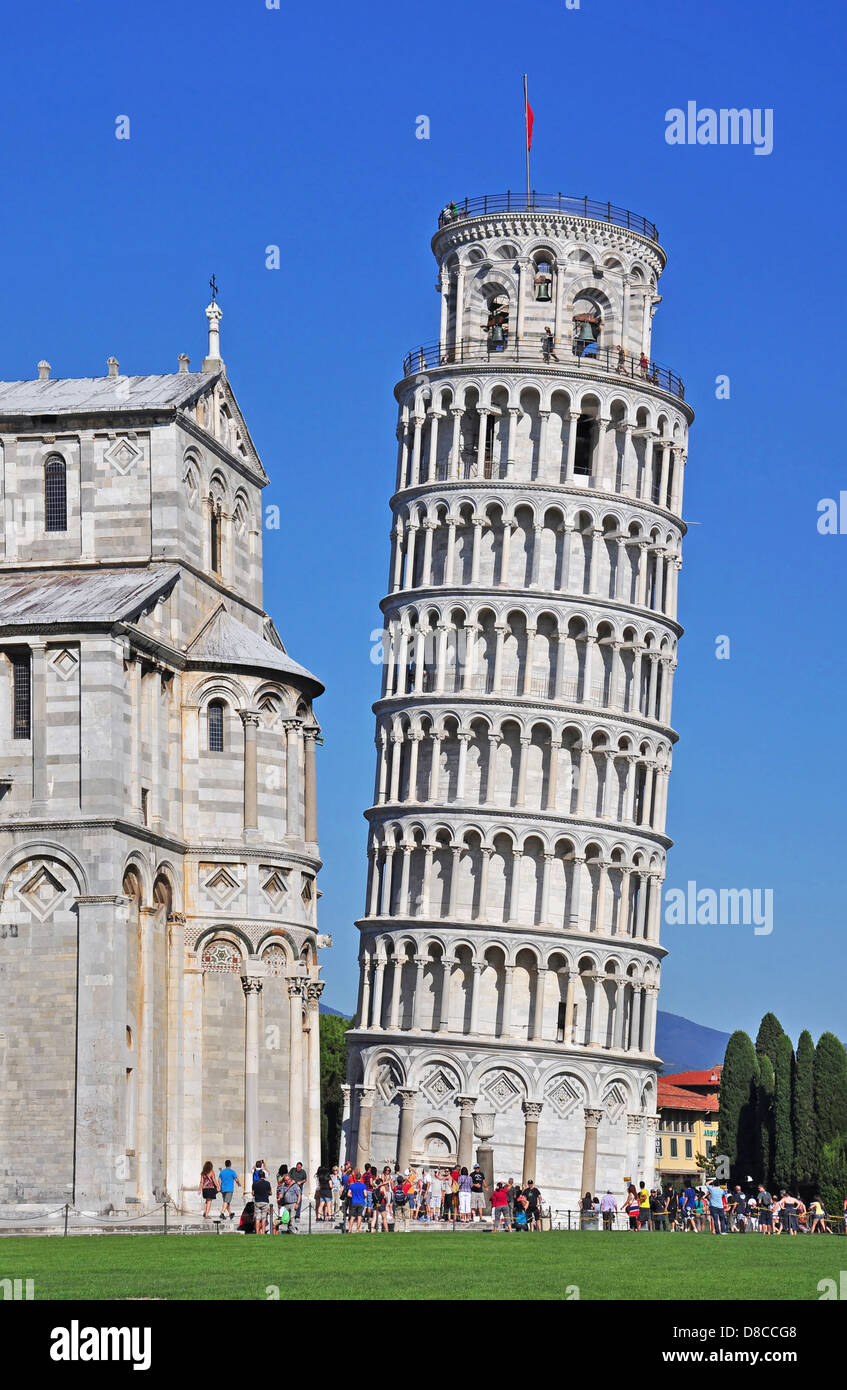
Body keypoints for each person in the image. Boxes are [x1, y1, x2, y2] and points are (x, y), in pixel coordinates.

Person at [252, 1165, 272, 1235]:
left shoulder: (255, 1183)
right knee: (263, 1218)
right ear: (264, 1176)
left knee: (257, 1218)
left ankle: (257, 1232)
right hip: (265, 1201)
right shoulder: (267, 1183)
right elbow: (270, 1192)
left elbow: (253, 1193)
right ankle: (263, 1232)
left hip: (257, 1201)